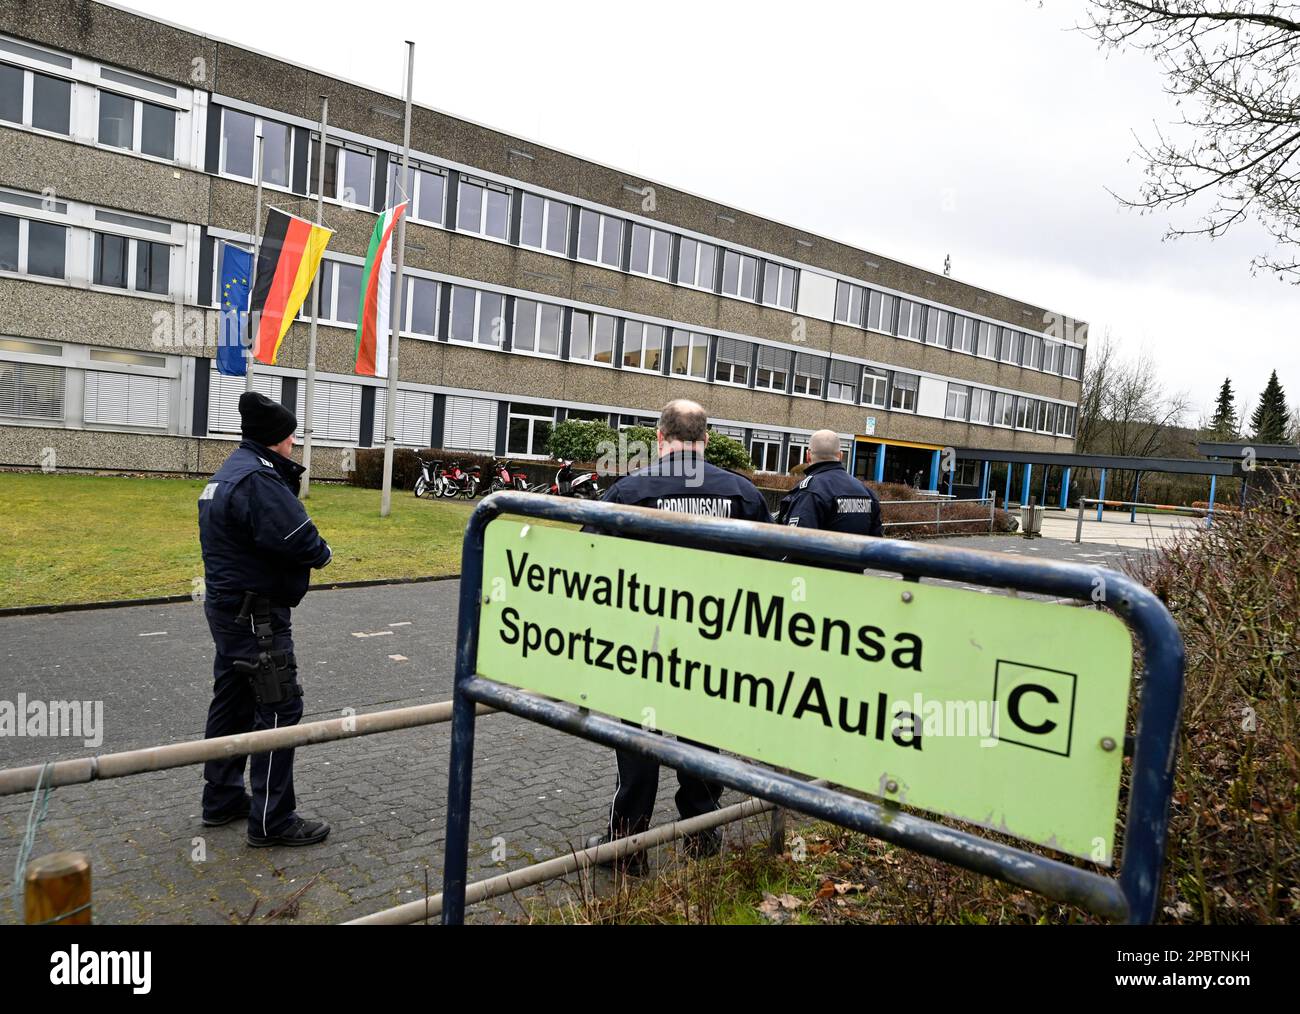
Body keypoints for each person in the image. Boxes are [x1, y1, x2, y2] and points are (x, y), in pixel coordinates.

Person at [584, 399, 771, 872]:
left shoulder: (630, 490)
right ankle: (702, 835)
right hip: (713, 641)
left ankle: (627, 844)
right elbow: (770, 564)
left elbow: (584, 555)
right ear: (706, 440)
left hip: (642, 641)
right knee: (702, 736)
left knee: (638, 740)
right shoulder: (743, 493)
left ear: (661, 439)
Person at [197, 391, 333, 847]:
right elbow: (303, 540)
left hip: (227, 609)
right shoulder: (258, 480)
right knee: (279, 707)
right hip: (258, 618)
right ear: (278, 439)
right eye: (292, 436)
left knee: (233, 700)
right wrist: (324, 553)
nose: (295, 443)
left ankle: (221, 799)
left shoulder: (228, 473)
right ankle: (273, 820)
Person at [777, 429, 884, 546]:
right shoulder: (866, 492)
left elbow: (796, 543)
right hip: (857, 563)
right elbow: (877, 543)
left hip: (819, 564)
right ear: (841, 456)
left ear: (808, 455)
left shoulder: (809, 491)